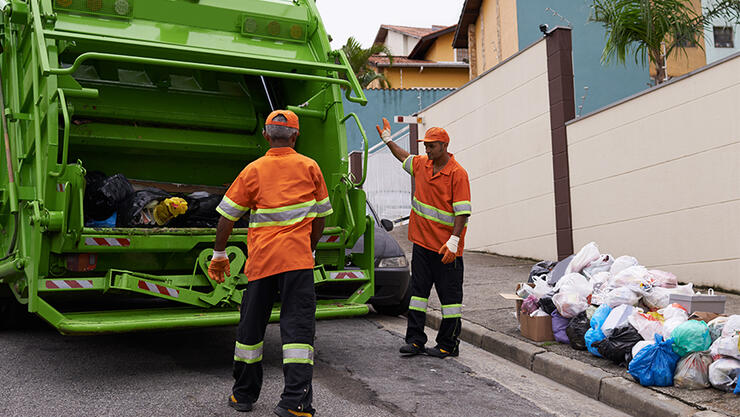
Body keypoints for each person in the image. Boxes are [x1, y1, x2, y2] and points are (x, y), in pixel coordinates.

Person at [209, 110, 332, 417]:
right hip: (297, 262)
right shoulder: (310, 167)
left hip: (261, 263)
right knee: (298, 333)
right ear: (295, 135)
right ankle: (295, 403)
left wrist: (220, 255)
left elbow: (226, 217)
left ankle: (243, 396)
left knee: (250, 330)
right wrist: (309, 248)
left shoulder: (254, 169)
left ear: (265, 135)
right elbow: (321, 218)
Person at [376, 117, 471, 358]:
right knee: (417, 296)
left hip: (446, 249)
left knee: (450, 301)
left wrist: (454, 241)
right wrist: (387, 140)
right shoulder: (422, 165)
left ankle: (448, 345)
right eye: (425, 145)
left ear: (444, 146)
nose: (426, 150)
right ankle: (415, 340)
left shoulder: (457, 174)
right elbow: (403, 156)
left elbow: (462, 212)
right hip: (422, 246)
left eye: (431, 146)